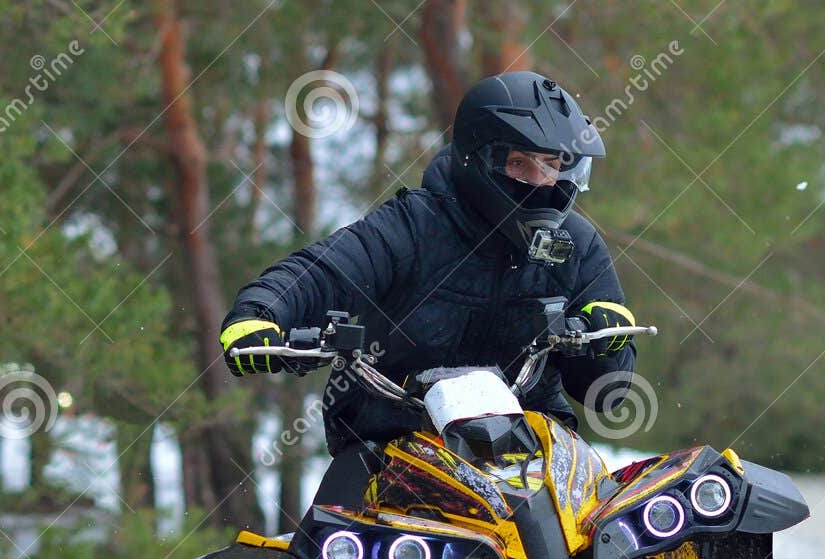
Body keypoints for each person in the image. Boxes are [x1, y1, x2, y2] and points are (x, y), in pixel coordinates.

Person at [219, 71, 638, 510]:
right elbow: (319, 273)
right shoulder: (409, 228)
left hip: (536, 449)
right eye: (520, 163)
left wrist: (605, 339)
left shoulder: (577, 244)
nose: (540, 181)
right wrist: (258, 314)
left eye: (552, 165)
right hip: (391, 446)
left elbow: (607, 393)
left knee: (619, 545)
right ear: (479, 159)